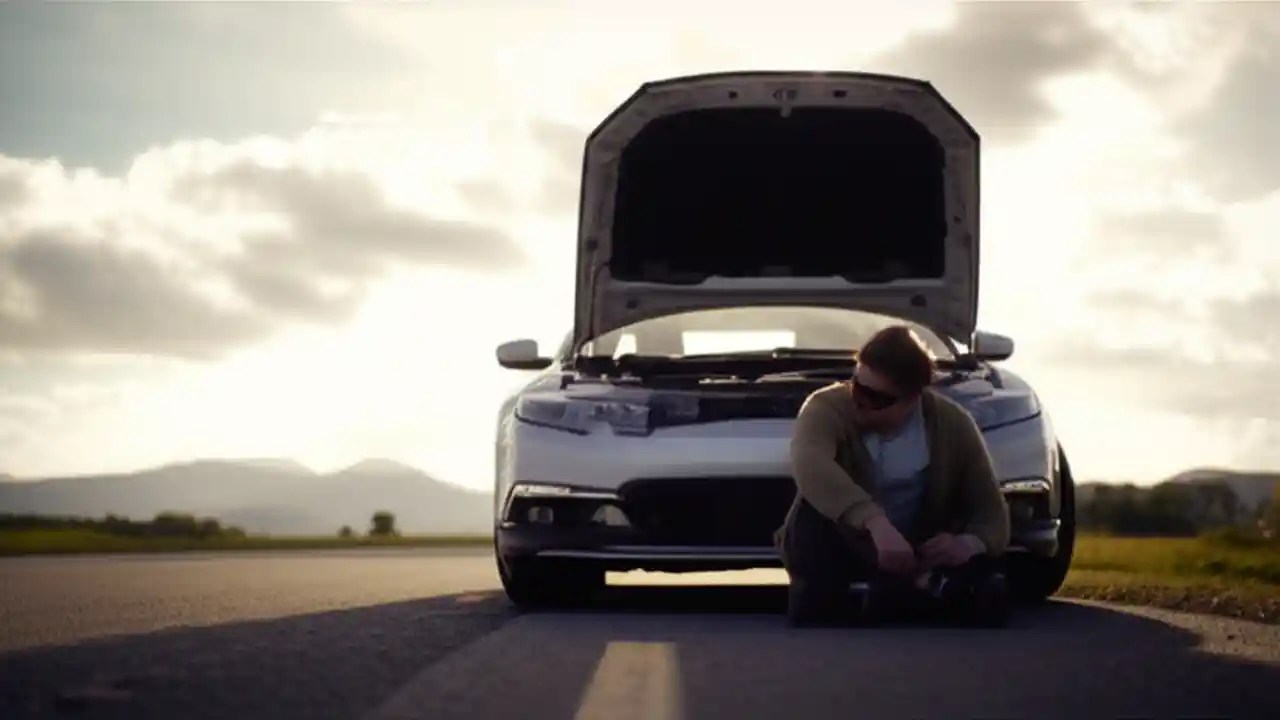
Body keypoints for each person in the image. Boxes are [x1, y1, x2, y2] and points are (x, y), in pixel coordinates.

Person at [775, 324, 1012, 627]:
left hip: (916, 551)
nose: (859, 400)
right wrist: (874, 522)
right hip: (844, 543)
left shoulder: (953, 424)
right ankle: (901, 597)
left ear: (912, 398)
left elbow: (992, 514)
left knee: (986, 583)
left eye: (875, 397)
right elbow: (810, 464)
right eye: (856, 385)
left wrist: (968, 543)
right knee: (811, 510)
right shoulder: (825, 406)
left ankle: (915, 591)